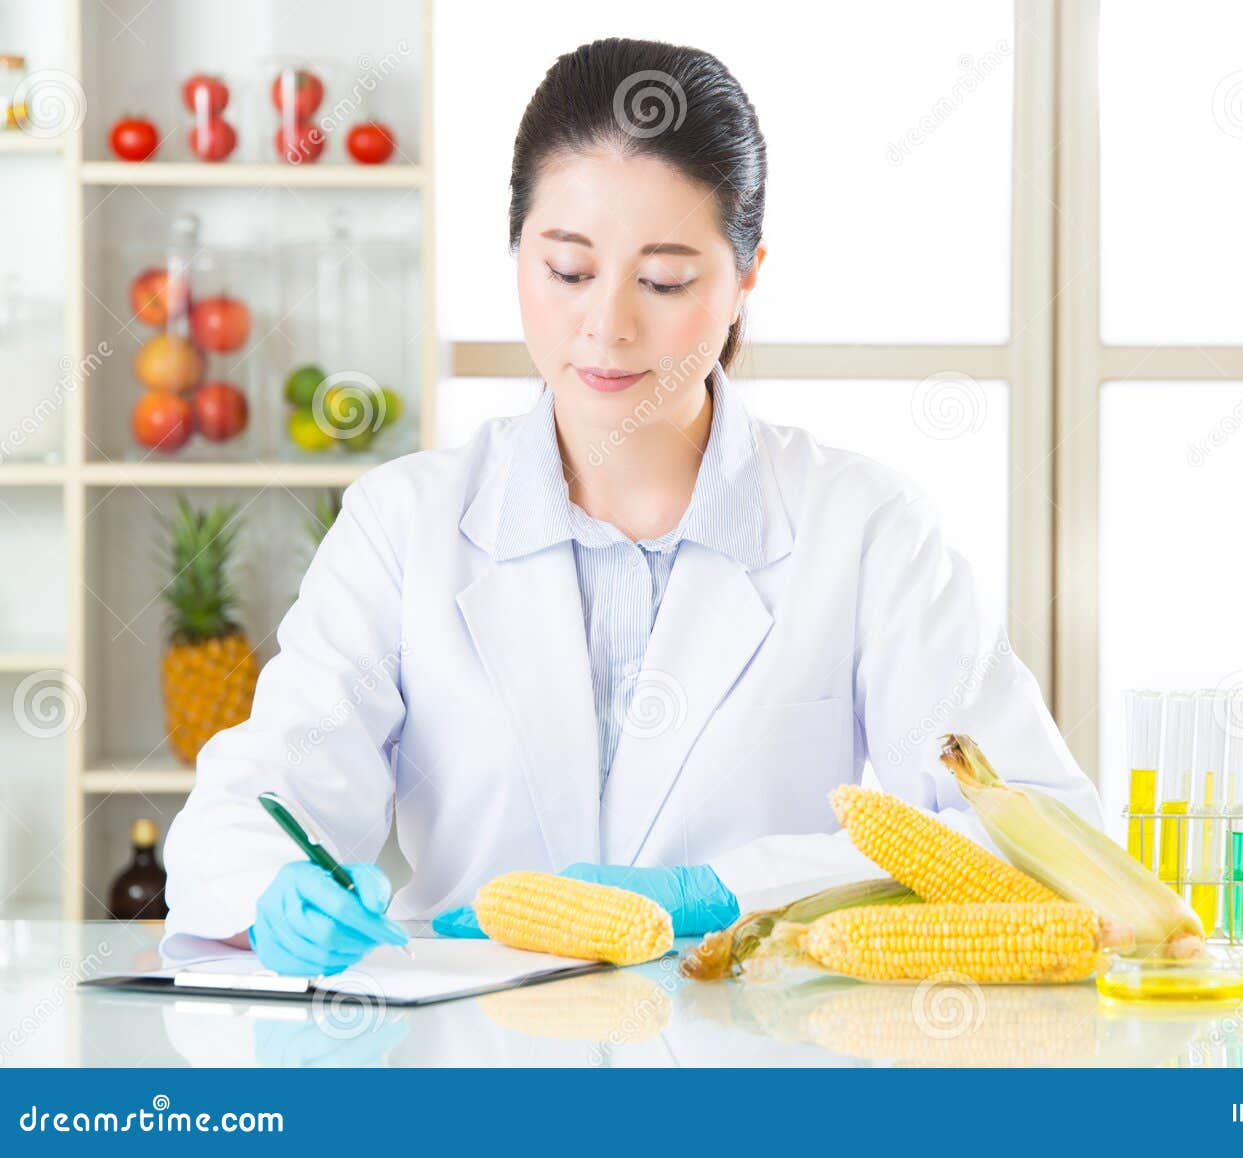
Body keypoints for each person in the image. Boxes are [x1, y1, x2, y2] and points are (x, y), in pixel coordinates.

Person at [160, 37, 1102, 975]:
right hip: (477, 1068)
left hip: (754, 1061)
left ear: (746, 278)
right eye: (567, 270)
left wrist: (736, 891)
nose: (607, 325)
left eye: (664, 281)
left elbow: (1042, 841)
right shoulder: (403, 524)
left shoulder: (864, 528)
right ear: (517, 252)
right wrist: (275, 883)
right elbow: (260, 798)